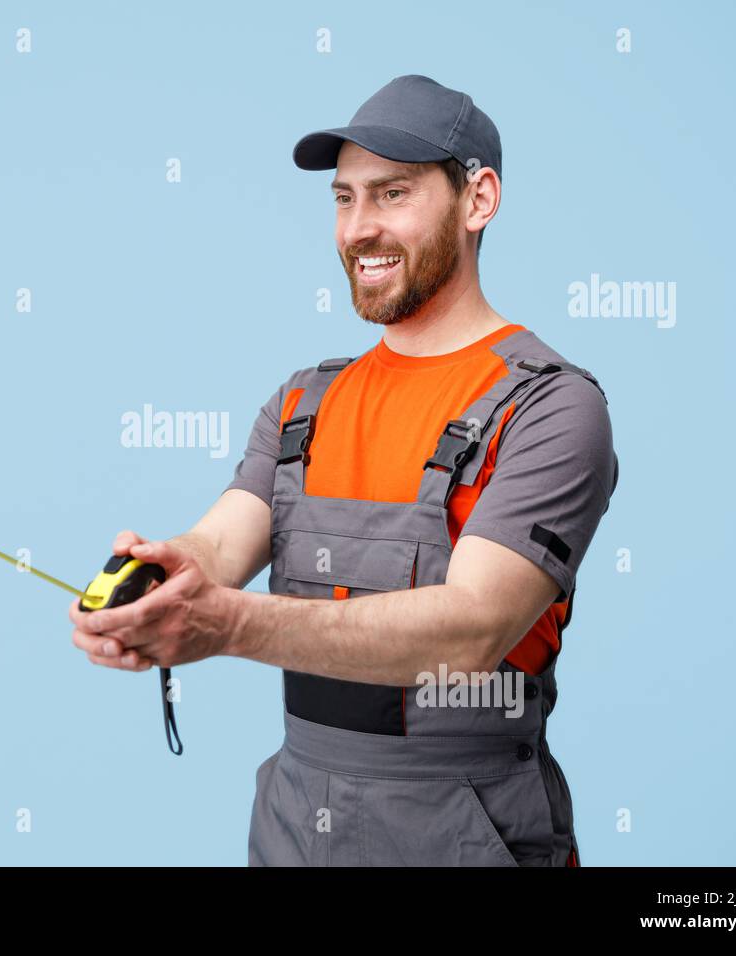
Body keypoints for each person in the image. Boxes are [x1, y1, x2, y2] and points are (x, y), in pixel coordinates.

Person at [67, 74, 617, 867]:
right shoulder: (303, 403)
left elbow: (472, 630)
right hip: (296, 830)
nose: (360, 229)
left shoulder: (551, 409)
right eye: (344, 198)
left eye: (393, 193)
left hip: (471, 839)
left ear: (478, 201)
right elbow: (220, 548)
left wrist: (226, 625)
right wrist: (161, 579)